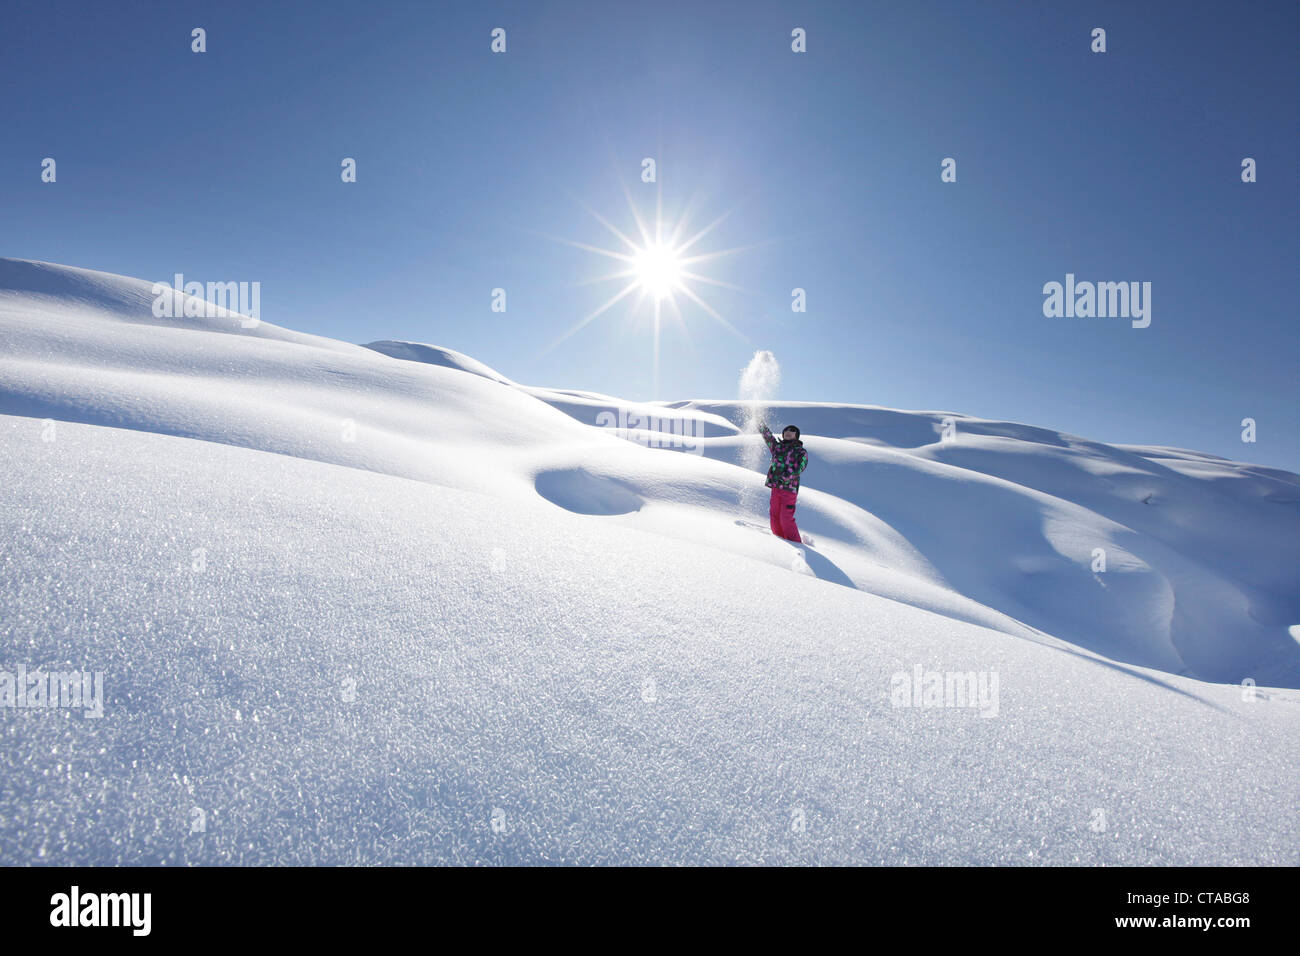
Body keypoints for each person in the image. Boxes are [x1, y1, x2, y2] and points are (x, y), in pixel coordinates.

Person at [759, 422, 808, 543]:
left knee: (785, 517)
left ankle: (796, 543)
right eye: (786, 430)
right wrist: (760, 424)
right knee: (774, 515)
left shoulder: (800, 451)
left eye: (792, 431)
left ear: (796, 436)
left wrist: (786, 477)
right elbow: (768, 437)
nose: (788, 432)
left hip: (789, 489)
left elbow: (800, 467)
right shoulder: (777, 447)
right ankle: (779, 541)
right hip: (776, 487)